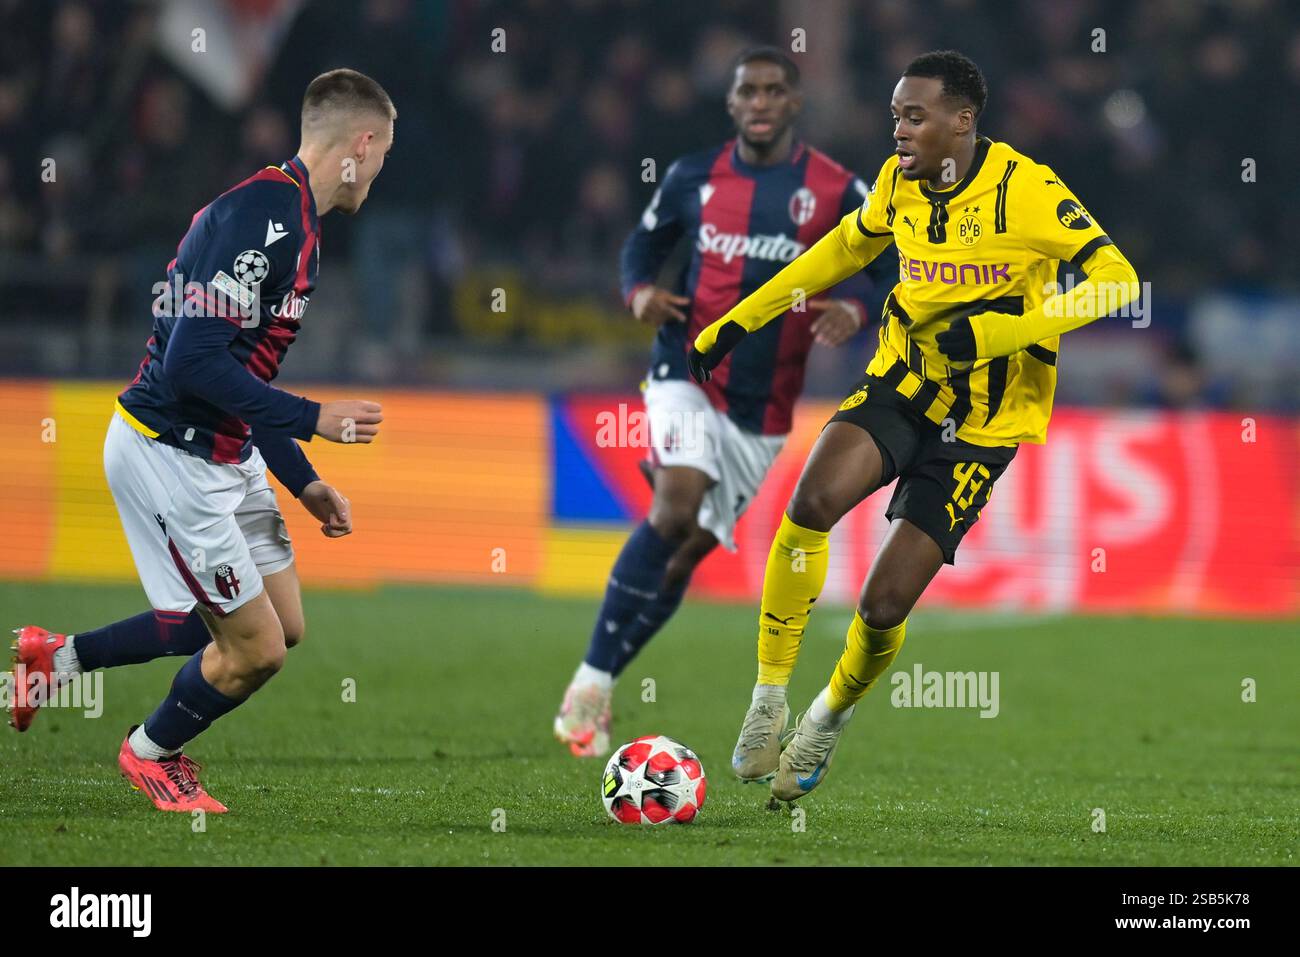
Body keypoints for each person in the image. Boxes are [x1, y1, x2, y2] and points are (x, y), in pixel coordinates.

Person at [688, 51, 1139, 800]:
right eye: (897, 113)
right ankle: (769, 699)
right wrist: (744, 318)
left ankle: (828, 715)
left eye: (916, 116)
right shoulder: (900, 179)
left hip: (985, 420)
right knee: (809, 503)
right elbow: (850, 243)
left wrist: (1000, 335)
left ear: (963, 121)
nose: (899, 129)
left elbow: (1116, 279)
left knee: (884, 602)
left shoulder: (1026, 191)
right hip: (903, 380)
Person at [8, 69, 394, 813]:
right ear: (363, 143)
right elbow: (192, 359)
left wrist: (303, 478)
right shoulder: (266, 220)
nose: (381, 170)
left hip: (226, 447)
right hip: (172, 453)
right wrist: (315, 416)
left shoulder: (297, 223)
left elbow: (241, 371)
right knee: (254, 649)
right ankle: (151, 751)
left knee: (277, 624)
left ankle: (56, 658)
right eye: (384, 152)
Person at [554, 47, 894, 757]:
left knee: (683, 557)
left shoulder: (837, 189)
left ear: (794, 103)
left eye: (775, 90)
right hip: (687, 365)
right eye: (749, 91)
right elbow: (640, 250)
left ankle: (604, 678)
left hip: (763, 408)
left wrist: (856, 309)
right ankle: (586, 680)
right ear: (733, 103)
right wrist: (640, 292)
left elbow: (893, 264)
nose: (762, 101)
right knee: (675, 506)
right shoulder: (691, 177)